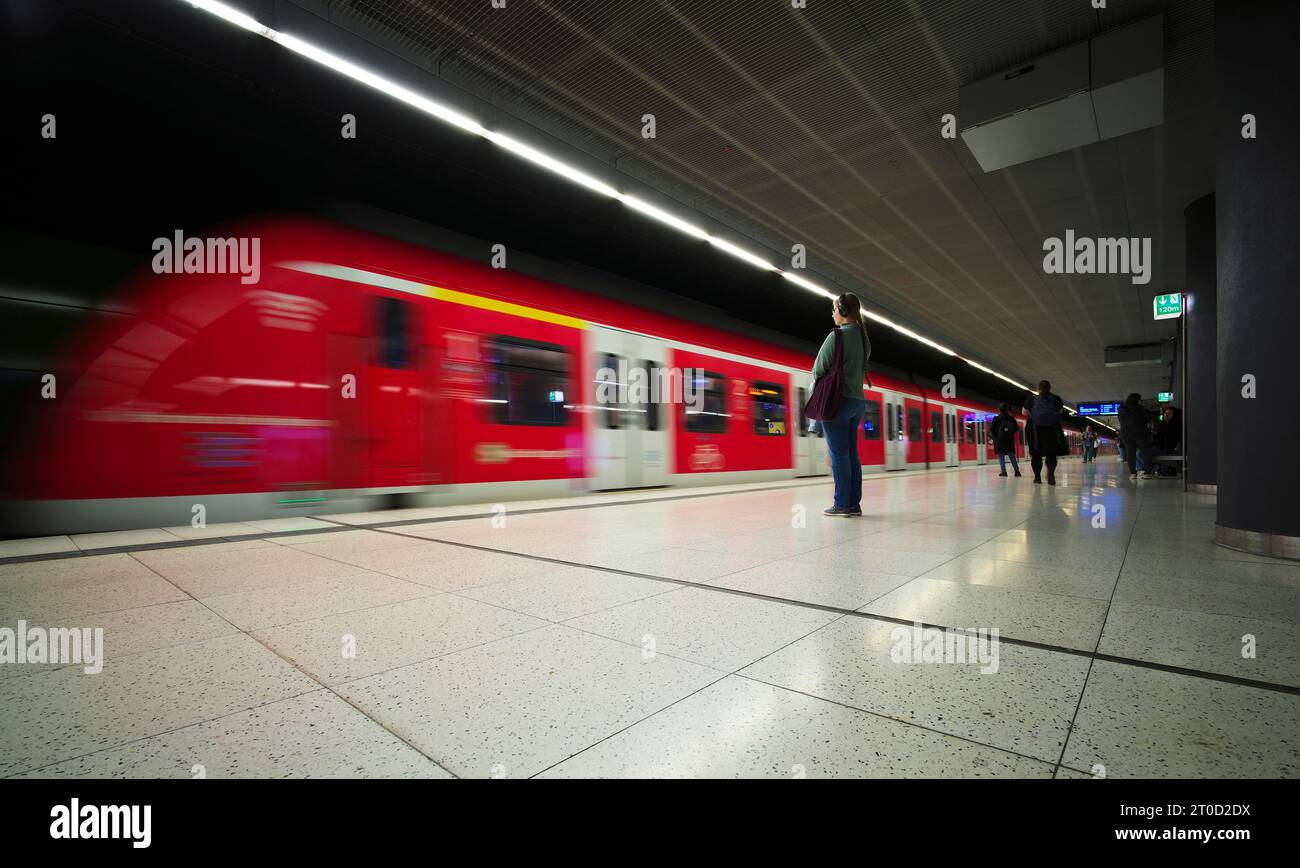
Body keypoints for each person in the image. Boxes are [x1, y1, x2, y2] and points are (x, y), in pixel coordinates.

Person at [814, 292, 870, 516]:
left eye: (835, 310)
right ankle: (854, 504)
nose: (833, 314)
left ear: (843, 312)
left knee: (839, 455)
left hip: (838, 402)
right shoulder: (863, 338)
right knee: (851, 454)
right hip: (857, 402)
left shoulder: (836, 336)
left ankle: (841, 504)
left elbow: (818, 369)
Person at [1022, 380, 1064, 485]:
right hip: (1051, 430)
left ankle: (1037, 477)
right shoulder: (1056, 399)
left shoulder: (1031, 399)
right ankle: (1050, 474)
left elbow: (1023, 412)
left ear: (1038, 389)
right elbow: (1060, 411)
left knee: (1036, 455)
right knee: (1051, 454)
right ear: (1049, 388)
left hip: (1034, 430)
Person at [1118, 393, 1155, 481]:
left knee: (1130, 454)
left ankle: (1133, 473)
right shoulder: (1139, 409)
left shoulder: (1121, 410)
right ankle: (1147, 472)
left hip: (1126, 434)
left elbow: (1120, 420)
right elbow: (1149, 418)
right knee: (1146, 452)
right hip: (1140, 433)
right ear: (1137, 400)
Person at [989, 403, 1022, 478]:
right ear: (1007, 410)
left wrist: (996, 436)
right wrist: (1010, 433)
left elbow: (992, 429)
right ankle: (1017, 471)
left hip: (999, 440)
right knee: (1012, 455)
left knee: (1001, 456)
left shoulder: (996, 418)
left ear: (999, 410)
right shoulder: (1011, 418)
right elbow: (1016, 428)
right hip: (1009, 440)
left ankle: (1003, 472)